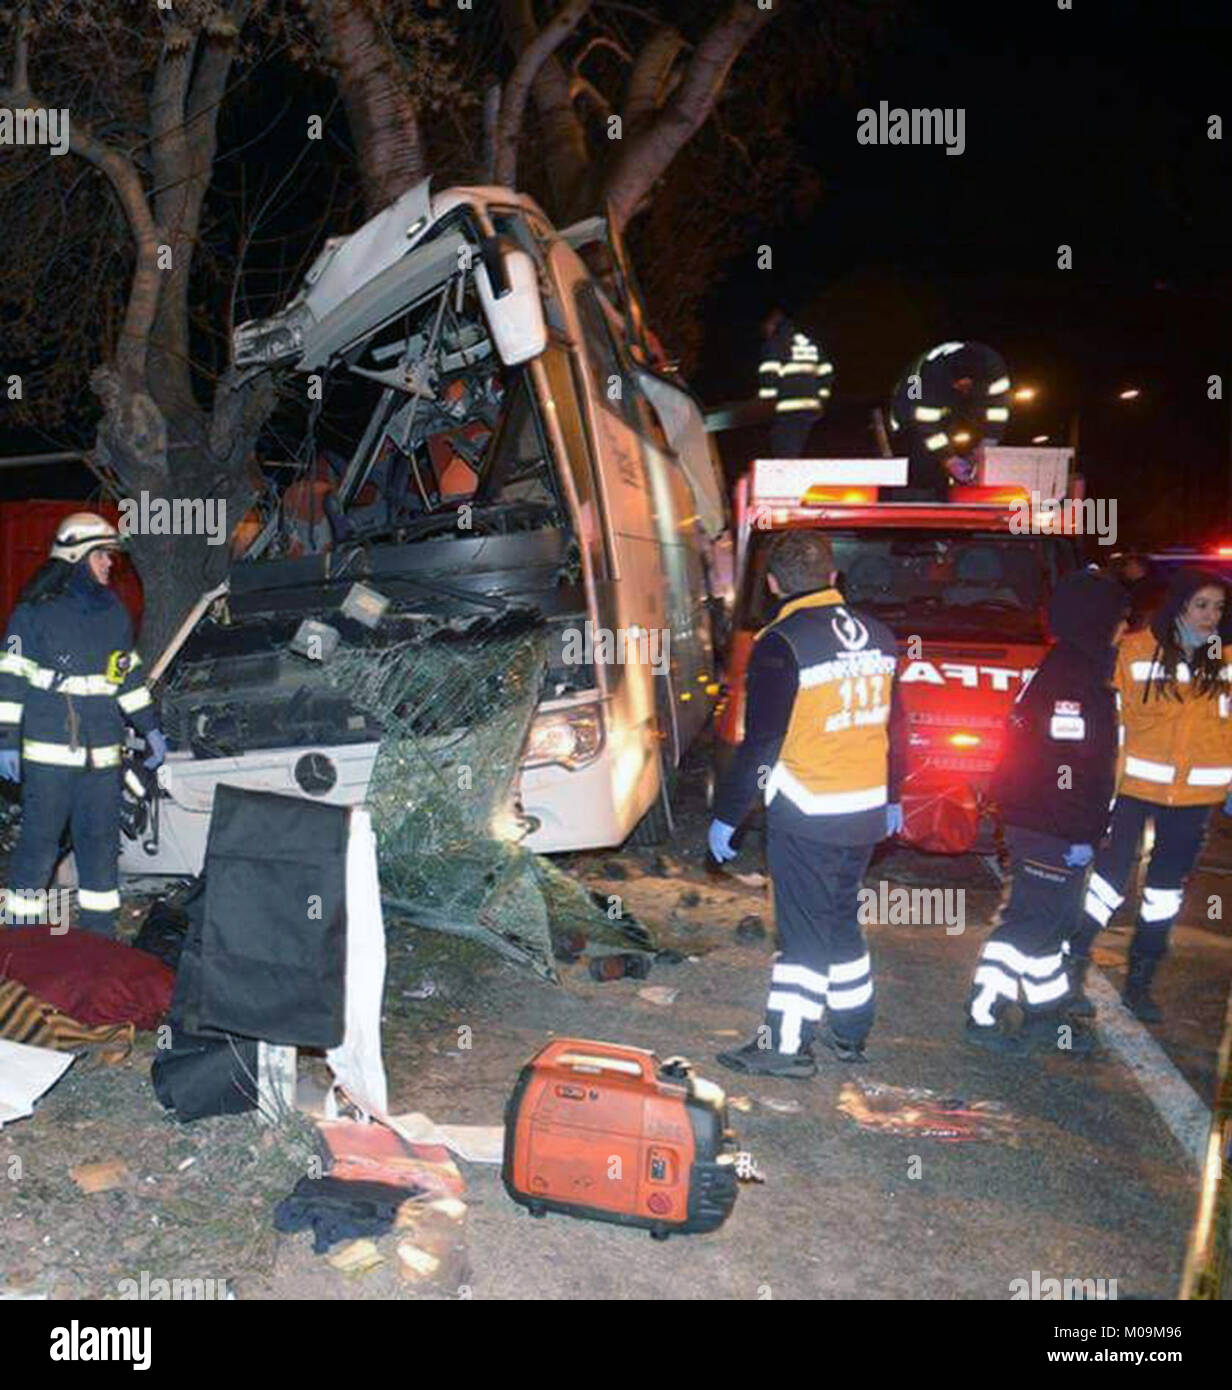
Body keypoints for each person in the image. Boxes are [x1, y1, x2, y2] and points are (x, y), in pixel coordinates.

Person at [707, 531, 904, 1076]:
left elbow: (765, 744)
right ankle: (852, 1029)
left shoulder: (782, 642)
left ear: (773, 585)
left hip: (809, 813)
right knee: (839, 917)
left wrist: (730, 813)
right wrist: (895, 797)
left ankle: (786, 1047)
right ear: (833, 577)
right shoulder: (881, 636)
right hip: (864, 811)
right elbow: (899, 725)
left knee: (802, 936)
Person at [966, 570, 1128, 1054]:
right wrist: (1078, 830)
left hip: (1053, 825)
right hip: (1050, 826)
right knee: (1030, 924)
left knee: (1051, 923)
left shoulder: (1075, 671)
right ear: (1094, 621)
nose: (1123, 630)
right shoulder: (1072, 682)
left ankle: (1043, 1014)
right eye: (1118, 620)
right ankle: (983, 1013)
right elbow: (1067, 768)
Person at [1067, 568, 1232, 1022]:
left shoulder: (1227, 659)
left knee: (1165, 893)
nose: (1210, 616)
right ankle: (1072, 963)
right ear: (1179, 605)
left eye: (1218, 607)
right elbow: (1107, 720)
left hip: (1196, 799)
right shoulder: (1135, 650)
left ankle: (1140, 981)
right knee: (1108, 882)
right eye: (1201, 605)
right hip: (1132, 789)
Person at [0, 514, 166, 937]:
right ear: (77, 555)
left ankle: (99, 943)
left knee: (100, 850)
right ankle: (19, 942)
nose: (111, 563)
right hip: (49, 757)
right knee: (39, 847)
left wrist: (150, 728)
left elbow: (126, 680)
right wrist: (6, 741)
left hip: (102, 762)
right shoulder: (33, 614)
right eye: (104, 555)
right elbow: (9, 681)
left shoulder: (114, 614)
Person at [757, 307, 834, 458]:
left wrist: (766, 404)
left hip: (788, 406)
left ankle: (786, 477)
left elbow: (769, 373)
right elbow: (827, 372)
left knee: (783, 448)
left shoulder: (776, 343)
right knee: (798, 447)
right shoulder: (809, 342)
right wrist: (821, 398)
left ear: (772, 324)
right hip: (811, 406)